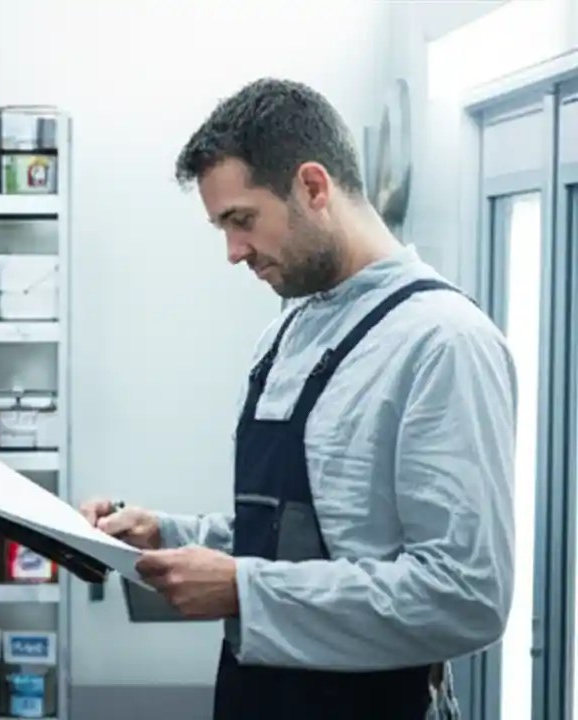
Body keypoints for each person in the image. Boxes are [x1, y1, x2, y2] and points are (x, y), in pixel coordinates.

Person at [80, 78, 516, 720]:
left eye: (242, 220)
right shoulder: (290, 329)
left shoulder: (443, 342)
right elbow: (302, 536)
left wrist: (244, 590)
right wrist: (164, 536)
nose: (233, 253)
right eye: (222, 227)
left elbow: (464, 596)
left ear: (313, 187)